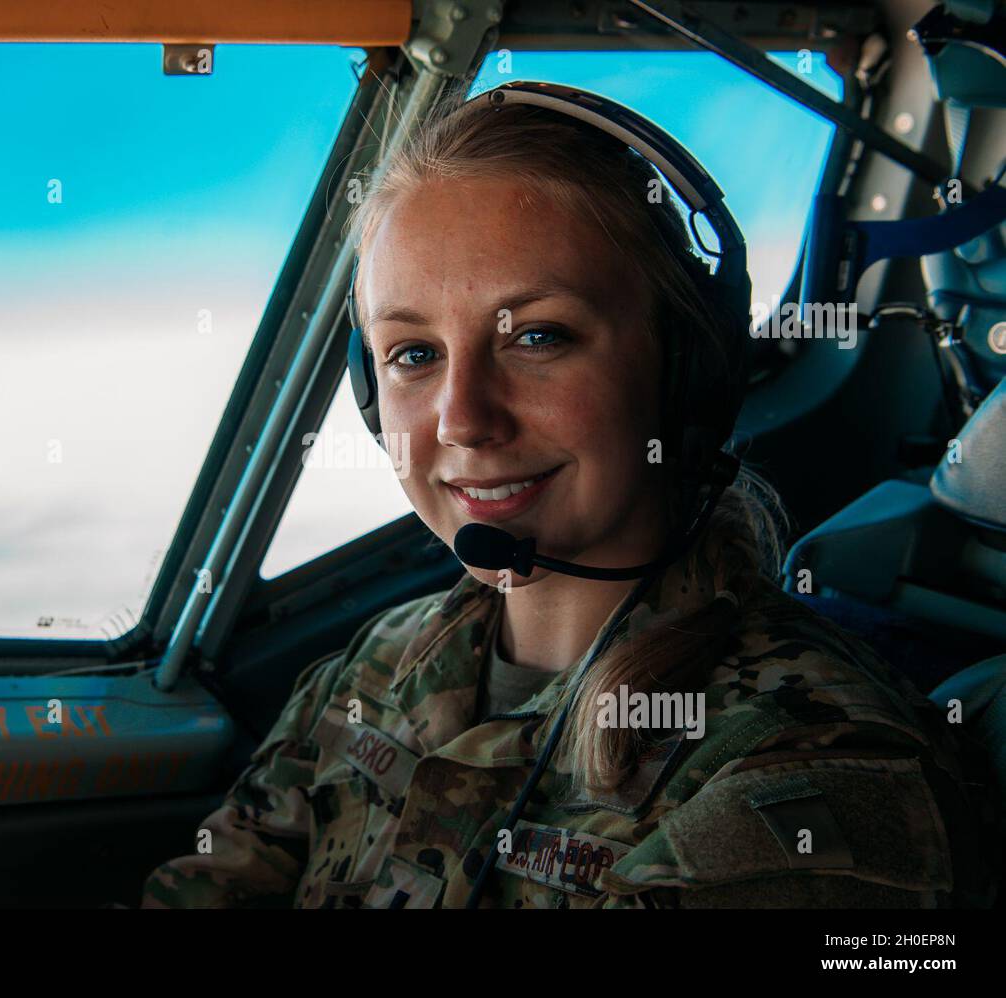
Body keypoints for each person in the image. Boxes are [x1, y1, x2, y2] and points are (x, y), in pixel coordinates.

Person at [141, 81, 998, 908]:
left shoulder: (802, 775)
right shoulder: (377, 666)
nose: (463, 420)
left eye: (538, 337)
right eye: (412, 354)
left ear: (682, 369)